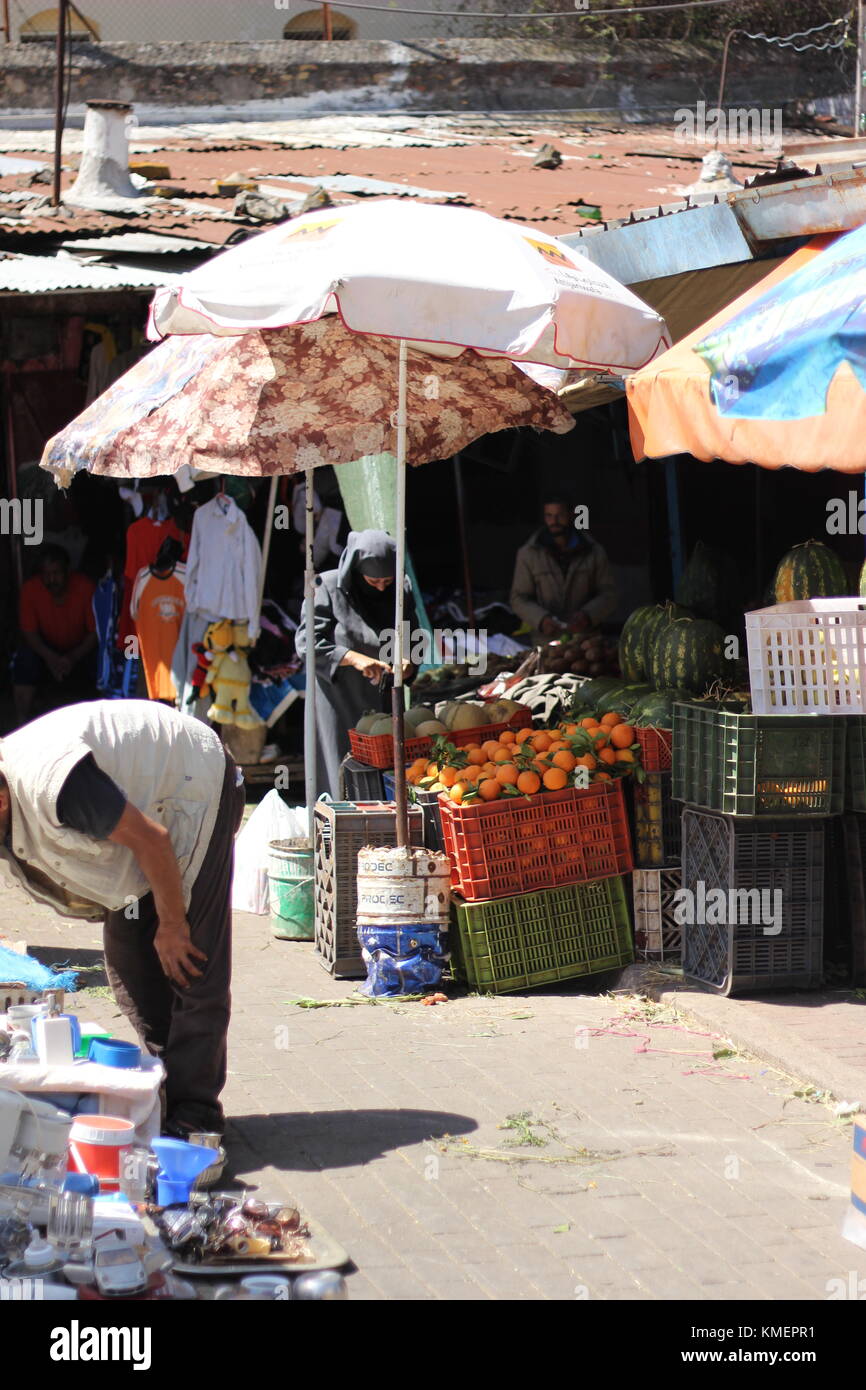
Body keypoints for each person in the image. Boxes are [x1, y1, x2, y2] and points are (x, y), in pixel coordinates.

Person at [0, 700, 244, 1138]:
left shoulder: (56, 785)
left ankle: (197, 1112)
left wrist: (172, 924)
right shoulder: (10, 794)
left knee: (190, 960)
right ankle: (168, 1084)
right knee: (130, 960)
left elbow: (153, 840)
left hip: (192, 780)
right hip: (143, 813)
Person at [295, 530, 416, 799]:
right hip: (338, 698)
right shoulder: (325, 586)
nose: (382, 588)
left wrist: (407, 662)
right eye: (373, 581)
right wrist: (353, 659)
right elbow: (307, 644)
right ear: (356, 571)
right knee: (341, 770)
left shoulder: (401, 589)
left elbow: (412, 637)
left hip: (384, 698)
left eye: (387, 581)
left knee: (383, 769)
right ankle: (340, 830)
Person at [510, 495, 617, 645]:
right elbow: (518, 598)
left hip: (587, 642)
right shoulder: (528, 553)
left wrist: (588, 615)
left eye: (560, 515)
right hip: (545, 642)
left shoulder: (594, 552)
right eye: (549, 516)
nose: (554, 521)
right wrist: (541, 619)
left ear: (571, 515)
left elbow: (609, 594)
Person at [12, 544, 98, 727]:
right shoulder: (30, 589)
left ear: (67, 571)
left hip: (80, 649)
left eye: (56, 573)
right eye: (46, 574)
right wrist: (51, 658)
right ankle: (21, 724)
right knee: (23, 661)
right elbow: (29, 632)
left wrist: (73, 657)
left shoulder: (85, 587)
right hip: (46, 649)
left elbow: (95, 632)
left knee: (103, 662)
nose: (52, 579)